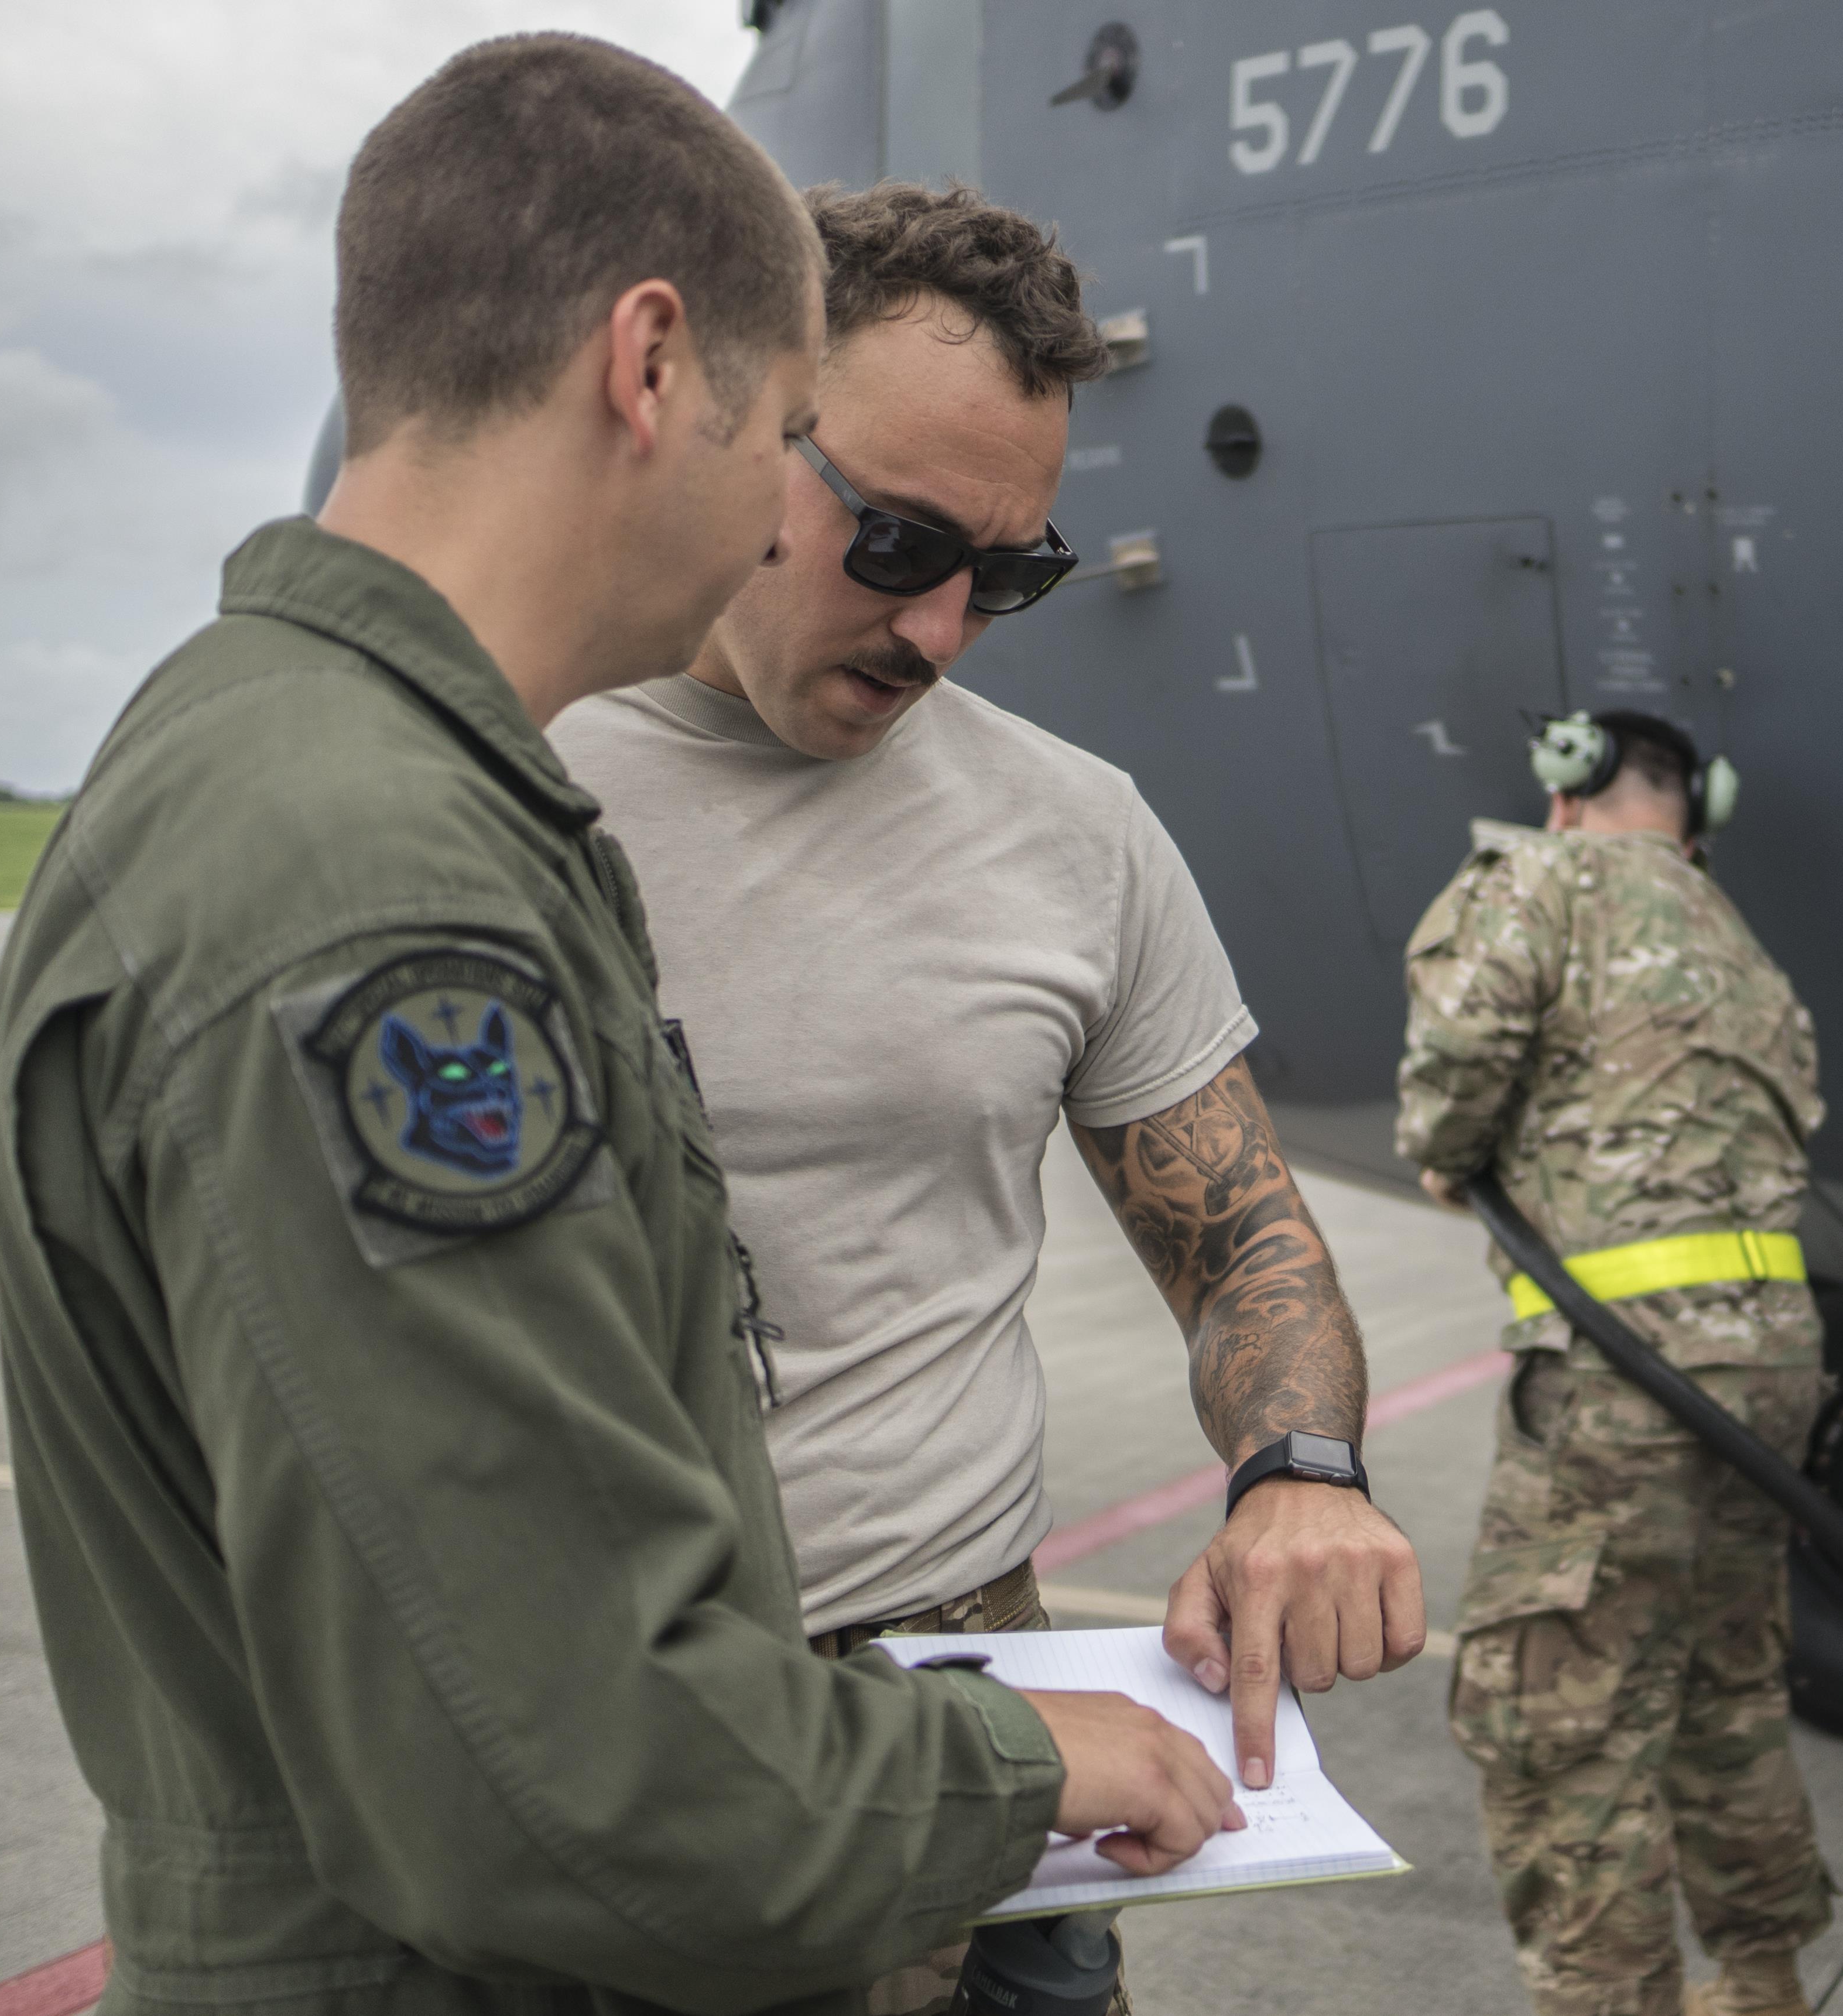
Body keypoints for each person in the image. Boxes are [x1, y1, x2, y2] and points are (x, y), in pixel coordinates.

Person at [0, 40, 1235, 2015]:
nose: (782, 542)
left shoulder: (276, 753)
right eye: (795, 443)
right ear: (653, 370)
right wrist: (1015, 1762)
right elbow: (572, 1781)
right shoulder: (379, 883)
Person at [547, 181, 1424, 2014]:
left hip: (983, 1732)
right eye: (894, 543)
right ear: (732, 415)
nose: (942, 630)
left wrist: (1299, 1470)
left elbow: (1248, 1239)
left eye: (1007, 576)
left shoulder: (1074, 831)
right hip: (630, 1739)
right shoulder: (507, 779)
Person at [1398, 709, 1837, 2016]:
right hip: (1772, 1371)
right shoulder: (1737, 937)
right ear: (1699, 807)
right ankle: (1762, 1981)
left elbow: (1461, 1049)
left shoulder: (1541, 875)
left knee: (1557, 1726)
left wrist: (1445, 1144)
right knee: (1725, 1684)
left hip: (1621, 1374)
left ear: (1570, 784)